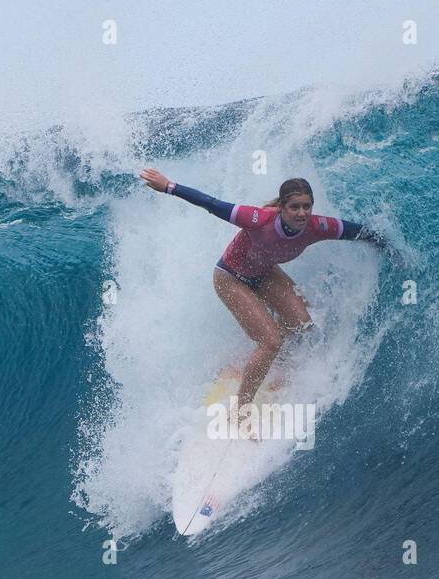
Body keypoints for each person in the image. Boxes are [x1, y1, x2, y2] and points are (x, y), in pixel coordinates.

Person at [139, 168, 388, 434]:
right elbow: (211, 204)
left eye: (307, 206)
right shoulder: (257, 219)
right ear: (282, 207)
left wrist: (388, 246)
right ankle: (241, 412)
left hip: (264, 273)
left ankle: (267, 366)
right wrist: (169, 186)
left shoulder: (318, 226)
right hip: (230, 277)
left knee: (302, 325)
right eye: (295, 207)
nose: (302, 213)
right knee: (270, 341)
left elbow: (356, 232)